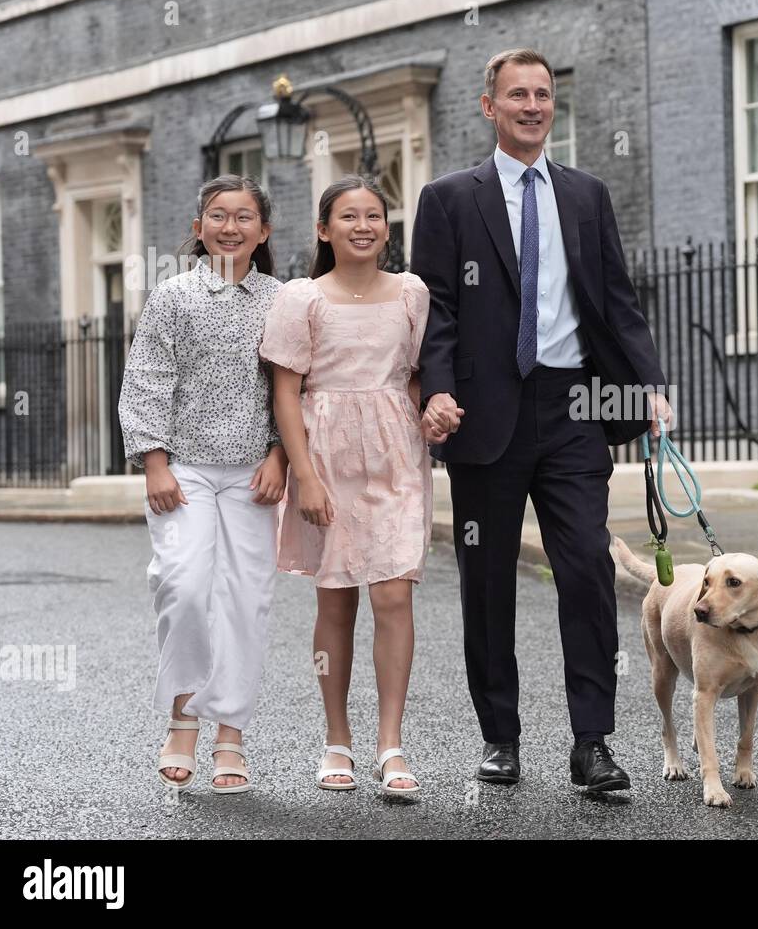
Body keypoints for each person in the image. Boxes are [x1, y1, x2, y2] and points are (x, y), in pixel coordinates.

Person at [411, 48, 671, 793]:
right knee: (487, 581)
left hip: (575, 408)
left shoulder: (586, 196)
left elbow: (617, 302)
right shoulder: (450, 198)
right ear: (488, 106)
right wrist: (436, 389)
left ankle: (593, 743)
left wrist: (647, 387)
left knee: (587, 570)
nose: (532, 105)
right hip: (484, 414)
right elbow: (439, 308)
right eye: (516, 95)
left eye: (543, 95)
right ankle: (500, 737)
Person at [261, 175, 432, 800]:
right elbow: (285, 391)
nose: (363, 226)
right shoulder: (301, 298)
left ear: (387, 228)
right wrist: (302, 474)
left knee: (394, 598)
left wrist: (434, 411)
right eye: (349, 216)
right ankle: (338, 738)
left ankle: (391, 744)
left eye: (374, 216)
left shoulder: (412, 294)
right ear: (324, 230)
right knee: (335, 600)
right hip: (325, 456)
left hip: (396, 456)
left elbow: (417, 377)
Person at [119, 174, 287, 794]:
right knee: (184, 584)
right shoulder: (171, 297)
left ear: (263, 232)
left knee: (246, 599)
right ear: (198, 228)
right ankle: (183, 716)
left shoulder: (280, 300)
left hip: (253, 473)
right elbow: (146, 380)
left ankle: (231, 734)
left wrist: (280, 456)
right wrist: (154, 461)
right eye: (218, 216)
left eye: (244, 218)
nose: (230, 227)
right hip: (183, 470)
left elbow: (292, 389)